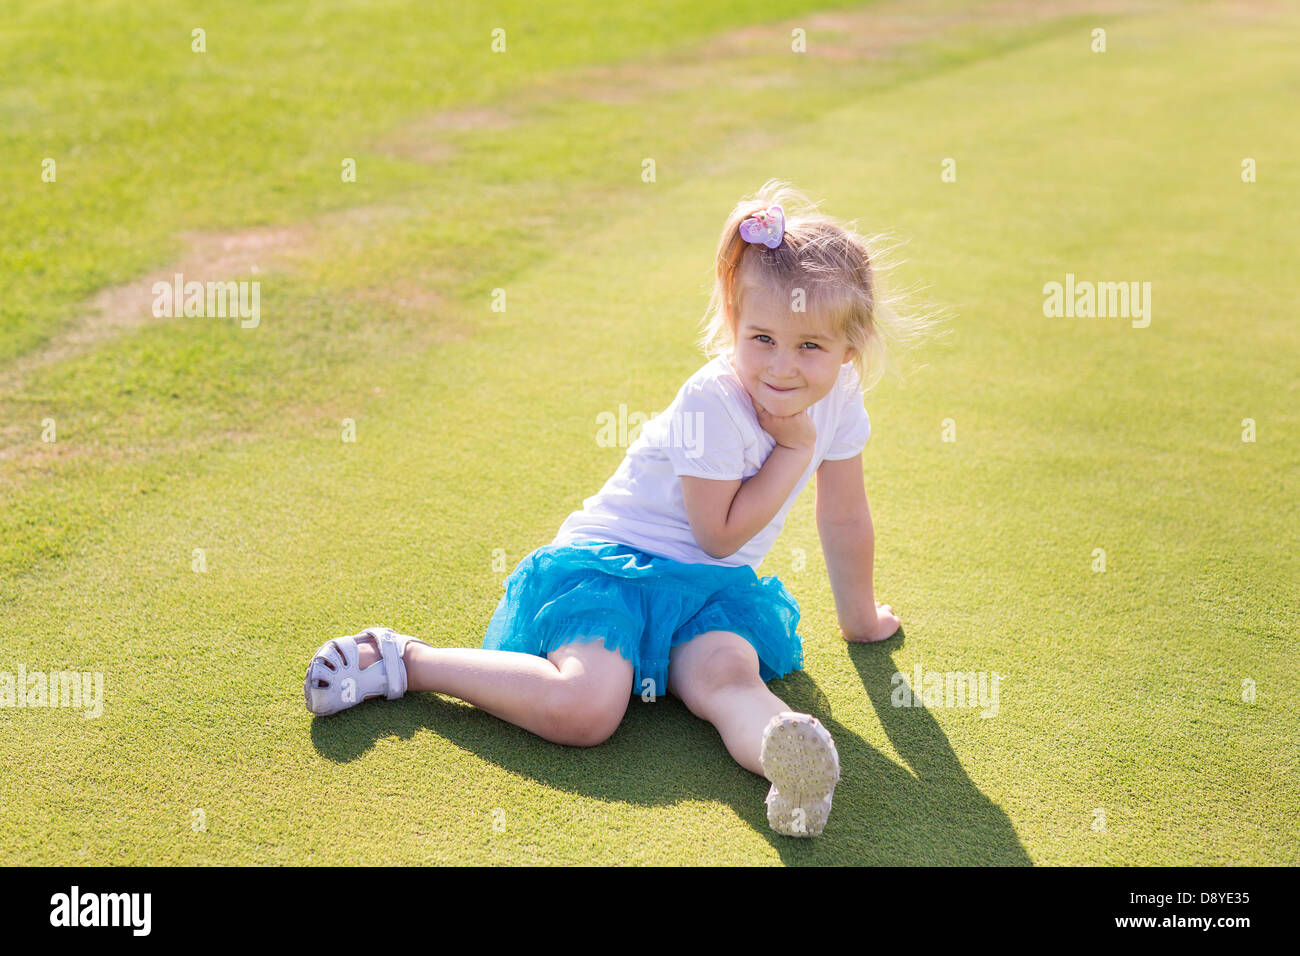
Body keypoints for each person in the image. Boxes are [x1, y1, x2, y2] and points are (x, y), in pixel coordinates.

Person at [304, 179, 920, 838]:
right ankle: (405, 661)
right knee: (588, 709)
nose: (782, 367)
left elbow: (844, 511)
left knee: (727, 676)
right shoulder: (712, 402)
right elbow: (717, 533)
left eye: (810, 347)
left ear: (848, 350)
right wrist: (794, 449)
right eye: (762, 337)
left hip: (709, 595)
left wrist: (859, 619)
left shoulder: (840, 395)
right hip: (611, 570)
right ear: (735, 322)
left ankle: (787, 765)